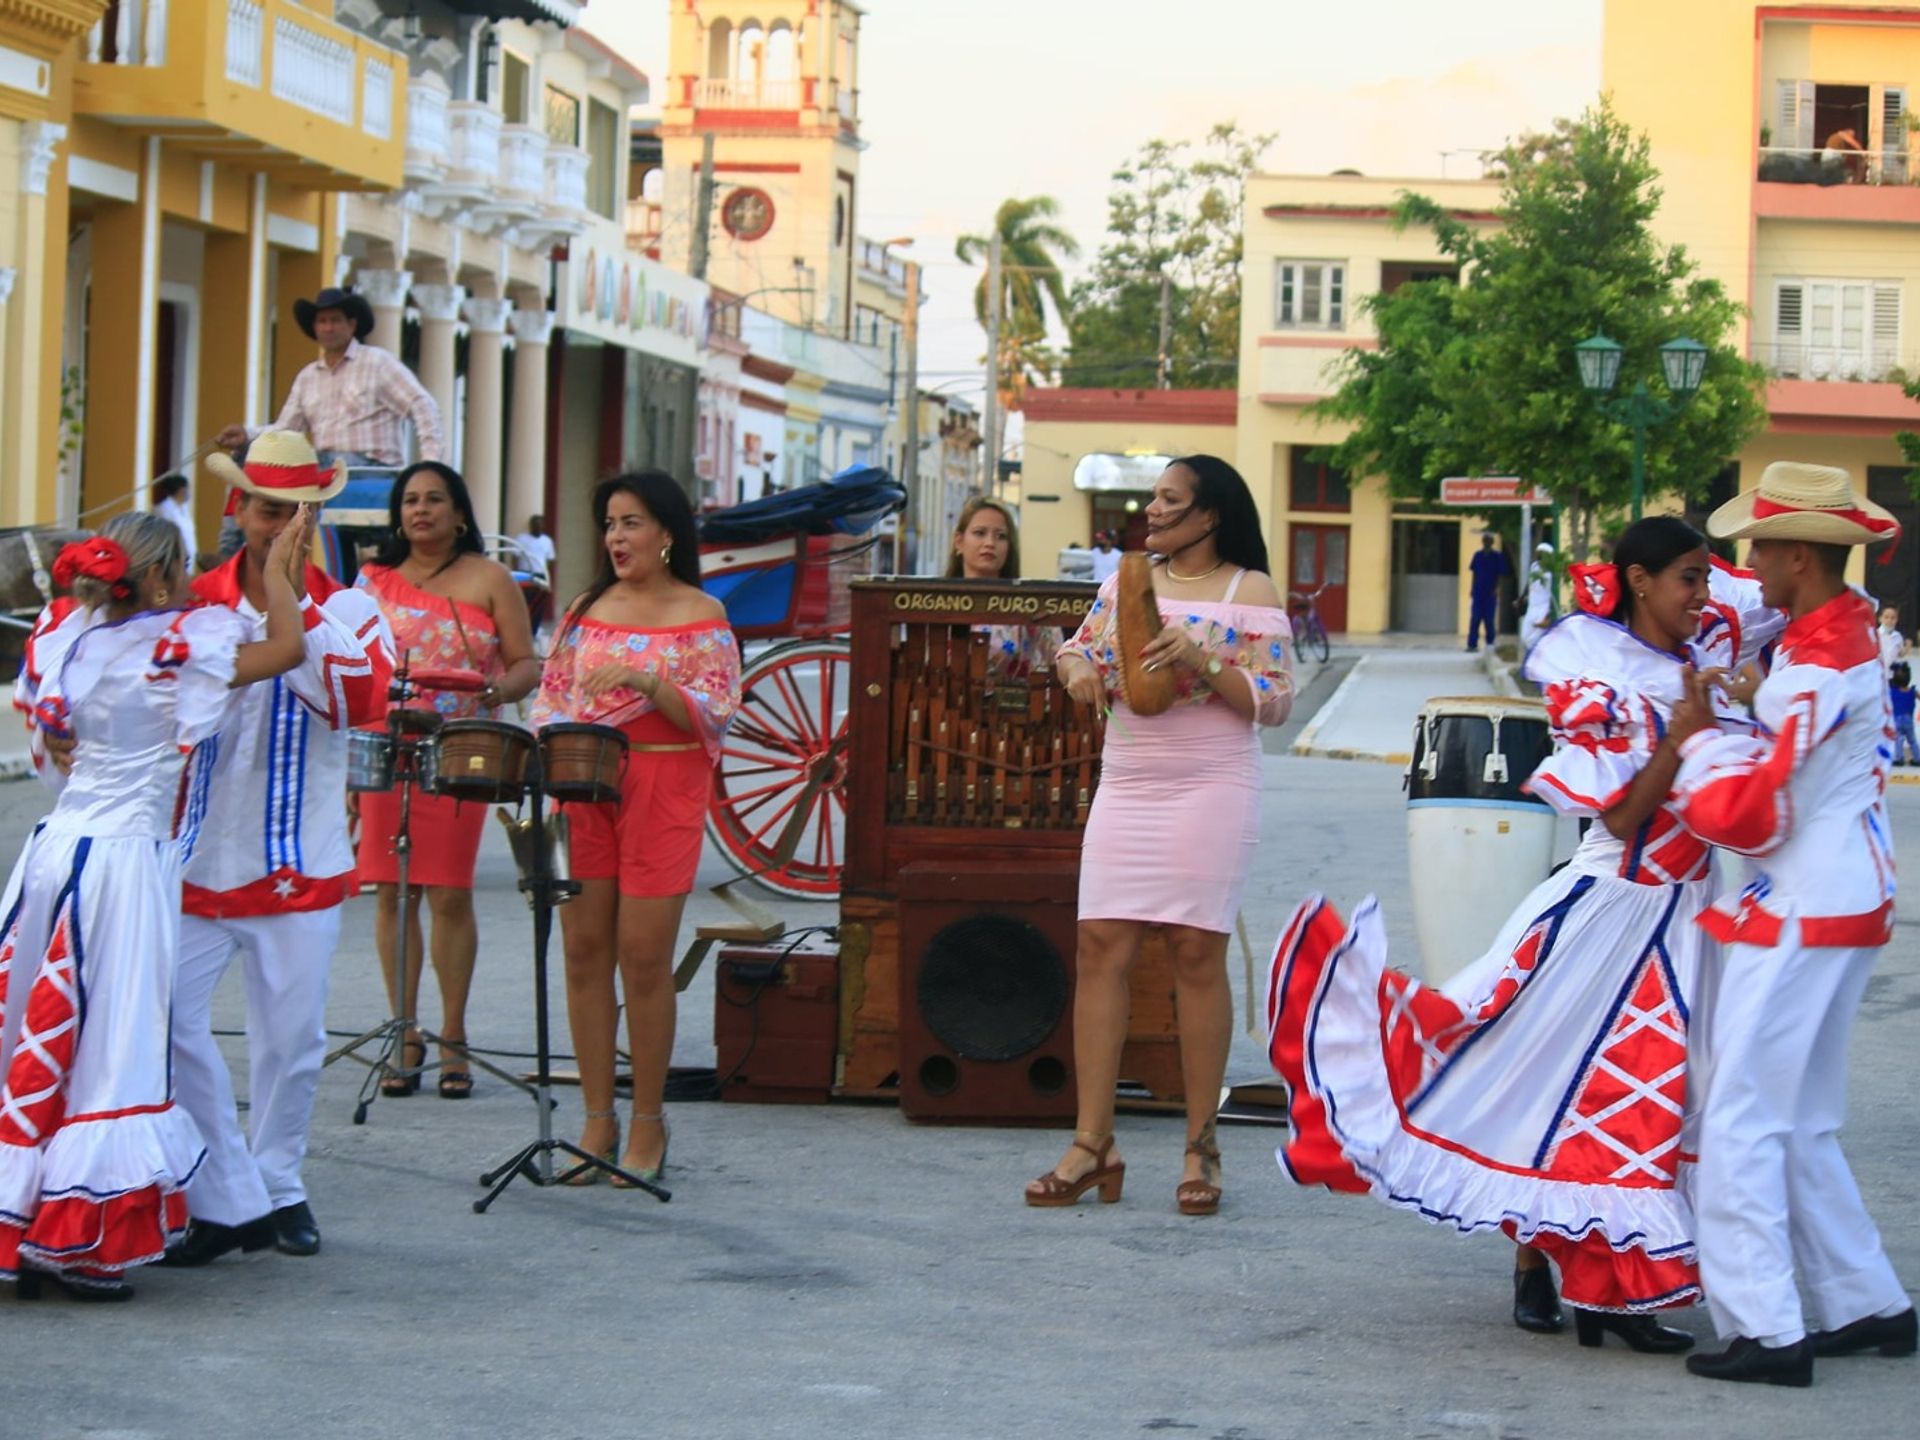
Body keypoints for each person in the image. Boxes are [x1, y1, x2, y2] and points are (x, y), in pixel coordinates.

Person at [1268, 516, 1780, 1353]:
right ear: (1640, 581)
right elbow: (1616, 810)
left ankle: (1611, 1290)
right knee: (1535, 1074)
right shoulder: (1599, 673)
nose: (1703, 593)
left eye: (1705, 578)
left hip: (1684, 917)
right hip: (1611, 909)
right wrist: (1683, 738)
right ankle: (1539, 1269)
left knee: (1629, 1101)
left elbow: (1778, 616)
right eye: (1688, 578)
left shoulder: (1699, 661)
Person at [2, 507, 310, 1299]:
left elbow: (49, 736)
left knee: (39, 1027)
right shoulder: (186, 645)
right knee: (113, 1042)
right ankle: (82, 1241)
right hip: (127, 863)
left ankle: (25, 1216)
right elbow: (288, 648)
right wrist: (276, 574)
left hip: (53, 852)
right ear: (168, 574)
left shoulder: (68, 638)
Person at [1672, 461, 1913, 1387]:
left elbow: (1754, 815)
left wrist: (1697, 746)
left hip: (1804, 905)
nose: (1754, 560)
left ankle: (1767, 1329)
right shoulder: (1840, 633)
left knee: (1739, 1116)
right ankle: (1867, 1302)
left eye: (1764, 545)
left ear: (1802, 555)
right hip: (1842, 893)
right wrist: (1745, 707)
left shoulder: (1816, 661)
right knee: (1801, 1116)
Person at [1027, 455, 1293, 1215]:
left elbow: (1274, 704)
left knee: (1193, 950)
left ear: (1208, 516)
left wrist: (1203, 658)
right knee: (1101, 946)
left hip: (1211, 783)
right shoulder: (1127, 582)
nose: (1152, 510)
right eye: (1153, 498)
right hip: (1130, 782)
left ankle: (1200, 1147)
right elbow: (1081, 645)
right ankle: (1092, 1144)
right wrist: (1073, 667)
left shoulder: (1251, 592)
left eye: (1169, 501)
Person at [160, 433, 394, 1266]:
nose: (282, 525)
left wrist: (294, 604)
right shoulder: (190, 603)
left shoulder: (354, 608)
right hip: (193, 859)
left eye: (299, 511)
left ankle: (278, 1182)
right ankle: (231, 1193)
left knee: (290, 1044)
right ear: (238, 509)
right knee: (167, 1026)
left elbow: (356, 700)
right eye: (267, 508)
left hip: (301, 859)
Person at [531, 473, 740, 1184]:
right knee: (584, 952)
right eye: (610, 522)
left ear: (669, 533)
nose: (617, 537)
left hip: (664, 785)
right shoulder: (586, 610)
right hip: (586, 786)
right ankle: (597, 1115)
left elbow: (717, 712)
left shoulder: (703, 610)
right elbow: (550, 699)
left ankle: (648, 1119)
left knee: (644, 956)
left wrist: (651, 684)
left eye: (633, 522)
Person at [354, 463, 540, 1098]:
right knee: (392, 893)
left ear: (460, 513)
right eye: (410, 500)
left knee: (449, 895)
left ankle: (454, 1035)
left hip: (463, 751)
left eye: (435, 499)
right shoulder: (371, 581)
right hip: (386, 746)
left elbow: (525, 664)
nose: (421, 510)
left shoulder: (491, 580)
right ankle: (404, 1032)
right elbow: (350, 664)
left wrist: (492, 690)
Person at [216, 287, 444, 469]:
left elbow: (422, 404)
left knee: (314, 463)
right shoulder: (307, 377)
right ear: (314, 328)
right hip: (326, 469)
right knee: (248, 461)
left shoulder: (378, 363)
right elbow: (285, 430)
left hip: (372, 468)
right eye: (322, 321)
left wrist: (430, 465)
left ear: (351, 325)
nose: (328, 328)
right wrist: (247, 435)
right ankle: (237, 528)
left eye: (335, 320)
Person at [947, 495, 1060, 679]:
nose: (990, 543)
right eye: (979, 533)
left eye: (1000, 536)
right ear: (959, 542)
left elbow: (1060, 665)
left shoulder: (1031, 605)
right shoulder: (936, 604)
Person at [1467, 533, 1511, 652]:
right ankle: (1472, 644)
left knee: (1489, 619)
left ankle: (1490, 643)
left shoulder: (1497, 556)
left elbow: (1501, 574)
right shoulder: (1477, 555)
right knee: (1475, 618)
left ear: (1492, 543)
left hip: (1490, 591)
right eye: (1485, 540)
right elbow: (1474, 573)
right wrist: (1472, 588)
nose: (1487, 543)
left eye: (1489, 541)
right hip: (1478, 590)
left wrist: (1497, 588)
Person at [152, 475, 198, 572]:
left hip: (189, 559)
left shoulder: (184, 509)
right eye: (187, 489)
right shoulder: (164, 510)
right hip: (175, 558)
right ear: (181, 490)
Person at [1520, 540, 1555, 652]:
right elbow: (1529, 582)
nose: (1538, 555)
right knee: (1525, 636)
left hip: (1543, 607)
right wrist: (1521, 597)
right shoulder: (1534, 566)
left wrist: (1548, 614)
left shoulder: (1551, 571)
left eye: (1541, 553)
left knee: (1538, 638)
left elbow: (1552, 593)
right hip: (1532, 606)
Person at [1891, 661, 1918, 766]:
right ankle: (1917, 758)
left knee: (1898, 739)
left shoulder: (1892, 691)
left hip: (1896, 719)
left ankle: (1899, 758)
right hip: (1908, 719)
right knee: (1912, 740)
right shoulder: (1912, 691)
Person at [1876, 604, 1906, 669]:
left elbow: (1900, 654)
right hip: (1877, 673)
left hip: (1892, 674)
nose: (1889, 620)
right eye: (1886, 617)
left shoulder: (1898, 636)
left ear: (1897, 619)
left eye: (1893, 618)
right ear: (1880, 618)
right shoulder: (1875, 635)